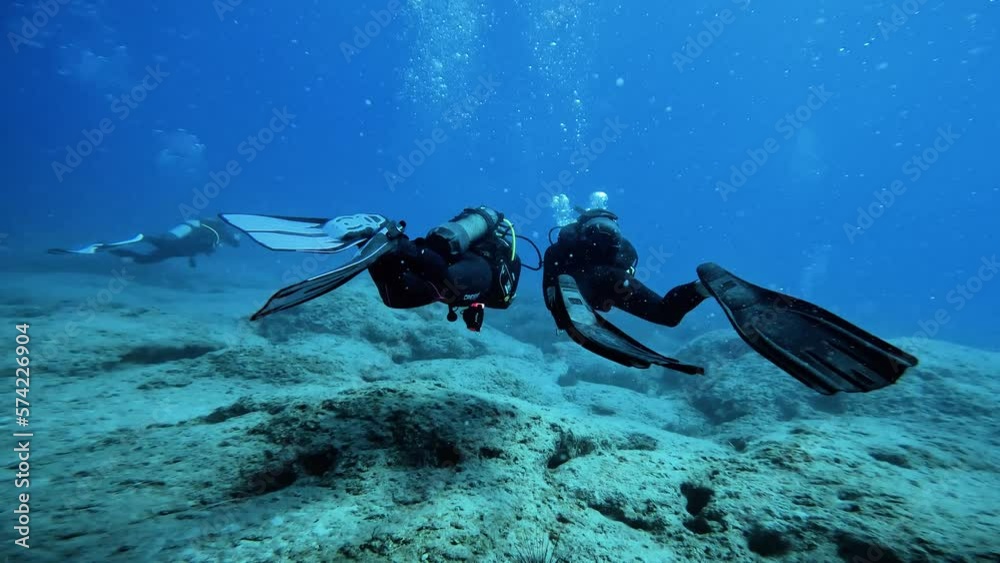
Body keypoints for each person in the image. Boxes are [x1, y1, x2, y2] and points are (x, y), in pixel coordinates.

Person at [541, 193, 919, 395]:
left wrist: (564, 313)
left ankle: (580, 302)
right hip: (613, 278)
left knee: (570, 305)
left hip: (577, 283)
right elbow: (626, 271)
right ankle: (703, 287)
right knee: (668, 315)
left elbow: (552, 284)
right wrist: (617, 290)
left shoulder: (563, 243)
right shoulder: (624, 246)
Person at [219, 206, 540, 331]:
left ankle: (382, 244)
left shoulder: (488, 278)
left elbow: (472, 300)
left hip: (449, 259)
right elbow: (481, 291)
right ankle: (398, 242)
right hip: (472, 267)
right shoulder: (499, 277)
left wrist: (472, 309)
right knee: (447, 285)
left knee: (396, 296)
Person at [48, 218, 241, 267]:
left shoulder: (205, 228)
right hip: (177, 249)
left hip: (171, 243)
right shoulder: (220, 233)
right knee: (145, 260)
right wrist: (236, 238)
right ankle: (113, 250)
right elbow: (235, 244)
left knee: (148, 252)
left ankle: (109, 247)